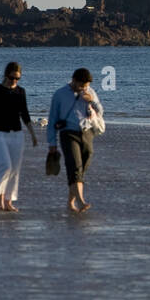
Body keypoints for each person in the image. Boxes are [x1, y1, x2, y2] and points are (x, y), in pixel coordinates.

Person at [47, 68, 103, 213]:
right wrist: (52, 143)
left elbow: (100, 111)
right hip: (68, 133)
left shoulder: (90, 92)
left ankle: (70, 201)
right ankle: (80, 200)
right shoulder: (60, 94)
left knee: (83, 166)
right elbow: (52, 118)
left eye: (86, 85)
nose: (84, 88)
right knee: (75, 166)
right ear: (74, 80)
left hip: (87, 132)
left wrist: (92, 101)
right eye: (82, 85)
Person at [0, 61, 38, 212]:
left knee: (15, 169)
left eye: (17, 78)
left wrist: (33, 134)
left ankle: (9, 200)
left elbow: (25, 114)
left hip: (17, 134)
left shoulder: (21, 91)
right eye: (12, 77)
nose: (14, 81)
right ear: (6, 75)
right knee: (5, 165)